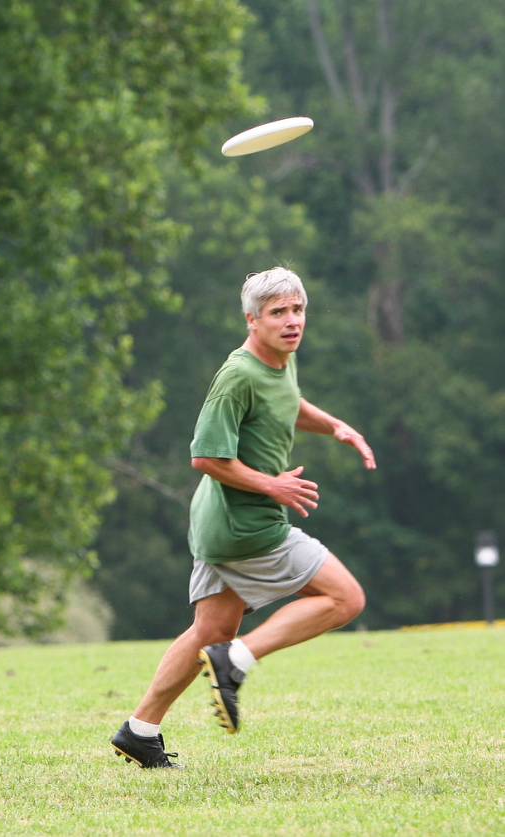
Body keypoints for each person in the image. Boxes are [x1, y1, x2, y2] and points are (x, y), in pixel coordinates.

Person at [110, 267, 372, 769]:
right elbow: (205, 457)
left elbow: (286, 403)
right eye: (278, 313)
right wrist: (272, 485)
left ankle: (139, 731)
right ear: (253, 320)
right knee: (344, 598)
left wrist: (335, 426)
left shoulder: (279, 362)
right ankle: (237, 662)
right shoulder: (237, 376)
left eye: (298, 310)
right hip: (245, 524)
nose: (292, 321)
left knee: (208, 632)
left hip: (216, 524)